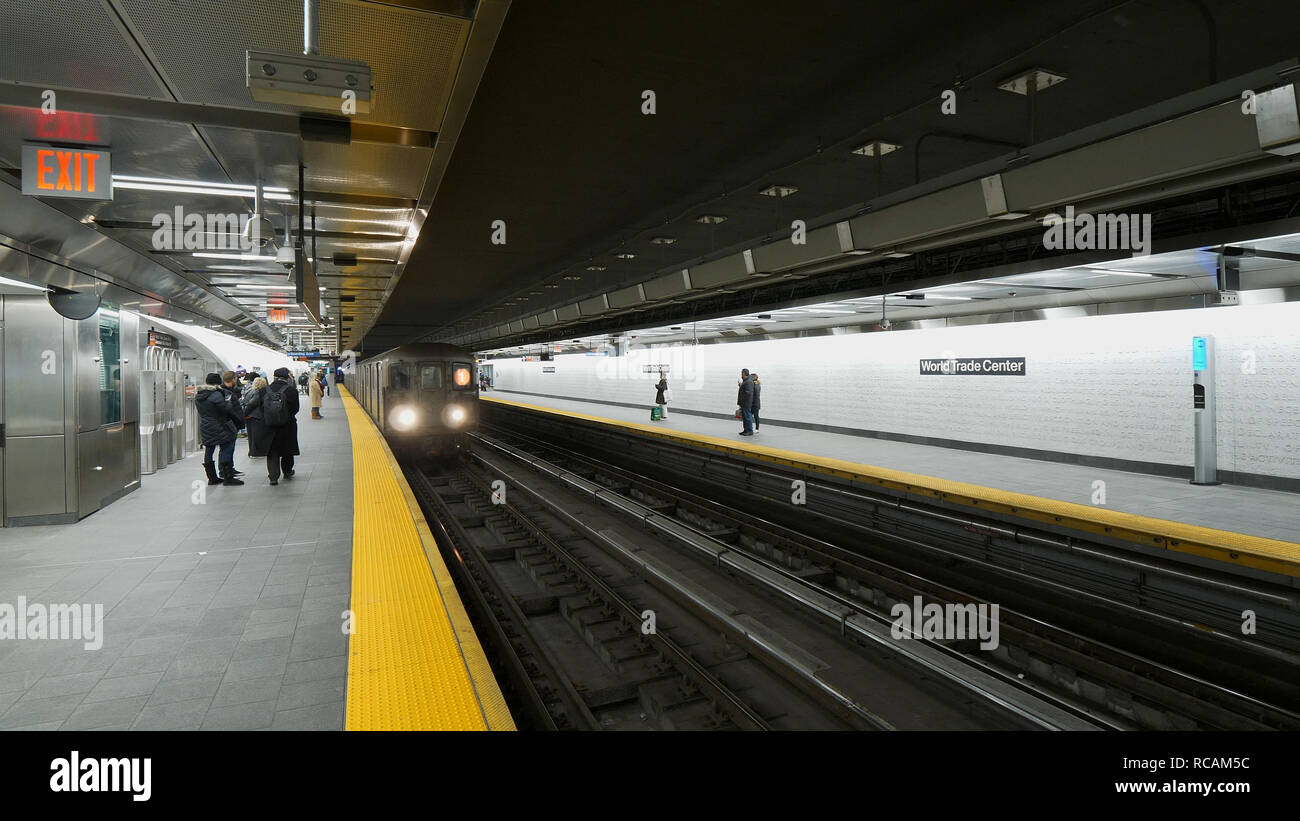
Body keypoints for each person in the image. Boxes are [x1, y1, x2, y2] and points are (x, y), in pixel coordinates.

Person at [248, 367, 301, 485]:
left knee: (272, 451)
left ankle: (273, 477)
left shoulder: (263, 390)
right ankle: (287, 472)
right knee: (288, 450)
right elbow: (295, 409)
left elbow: (258, 407)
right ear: (287, 377)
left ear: (274, 377)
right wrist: (285, 417)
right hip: (287, 426)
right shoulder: (291, 391)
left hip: (269, 426)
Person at [196, 373, 245, 486]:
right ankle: (228, 477)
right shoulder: (216, 394)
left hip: (205, 426)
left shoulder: (199, 395)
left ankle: (212, 478)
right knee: (226, 448)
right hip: (220, 425)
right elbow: (226, 409)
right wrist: (228, 400)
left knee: (209, 450)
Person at [221, 371, 247, 472]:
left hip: (232, 423)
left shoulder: (229, 391)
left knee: (230, 448)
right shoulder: (226, 392)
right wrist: (237, 419)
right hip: (230, 423)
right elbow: (229, 409)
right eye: (235, 379)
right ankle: (225, 471)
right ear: (232, 379)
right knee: (227, 448)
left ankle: (229, 469)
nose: (236, 380)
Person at [243, 376, 268, 457]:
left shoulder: (249, 391)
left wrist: (245, 414)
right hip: (257, 416)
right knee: (257, 436)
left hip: (249, 416)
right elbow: (252, 403)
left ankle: (251, 451)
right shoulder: (259, 393)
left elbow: (245, 402)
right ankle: (256, 452)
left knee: (251, 436)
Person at [736, 368, 755, 436]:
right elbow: (745, 391)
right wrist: (741, 385)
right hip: (744, 403)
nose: (741, 374)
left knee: (747, 417)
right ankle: (746, 430)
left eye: (741, 373)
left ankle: (750, 431)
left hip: (746, 403)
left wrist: (742, 401)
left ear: (744, 373)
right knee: (745, 417)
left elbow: (748, 393)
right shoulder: (746, 381)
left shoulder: (748, 382)